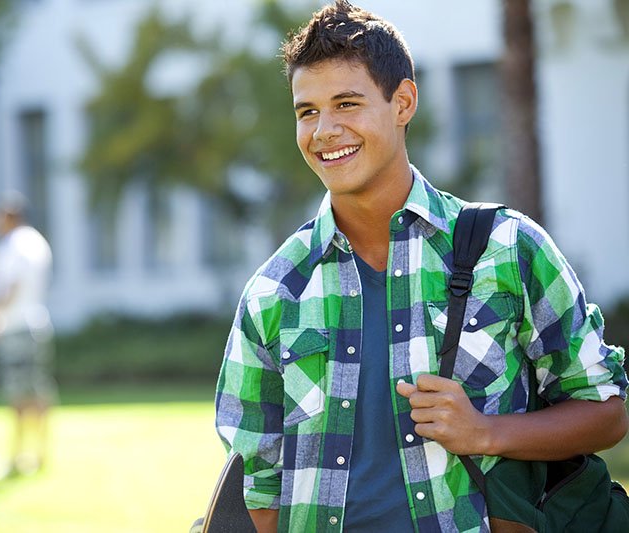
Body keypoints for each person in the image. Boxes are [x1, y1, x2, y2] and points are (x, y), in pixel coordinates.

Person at [214, 2, 629, 531]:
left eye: (346, 104)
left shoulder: (508, 247)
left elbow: (605, 412)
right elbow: (257, 487)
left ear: (403, 102)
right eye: (307, 111)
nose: (324, 130)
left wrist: (486, 433)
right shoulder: (274, 291)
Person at [0, 191, 55, 475]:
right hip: (35, 324)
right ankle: (40, 454)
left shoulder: (13, 245)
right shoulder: (37, 242)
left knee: (18, 395)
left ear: (9, 216)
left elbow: (10, 287)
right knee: (38, 390)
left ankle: (17, 456)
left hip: (15, 327)